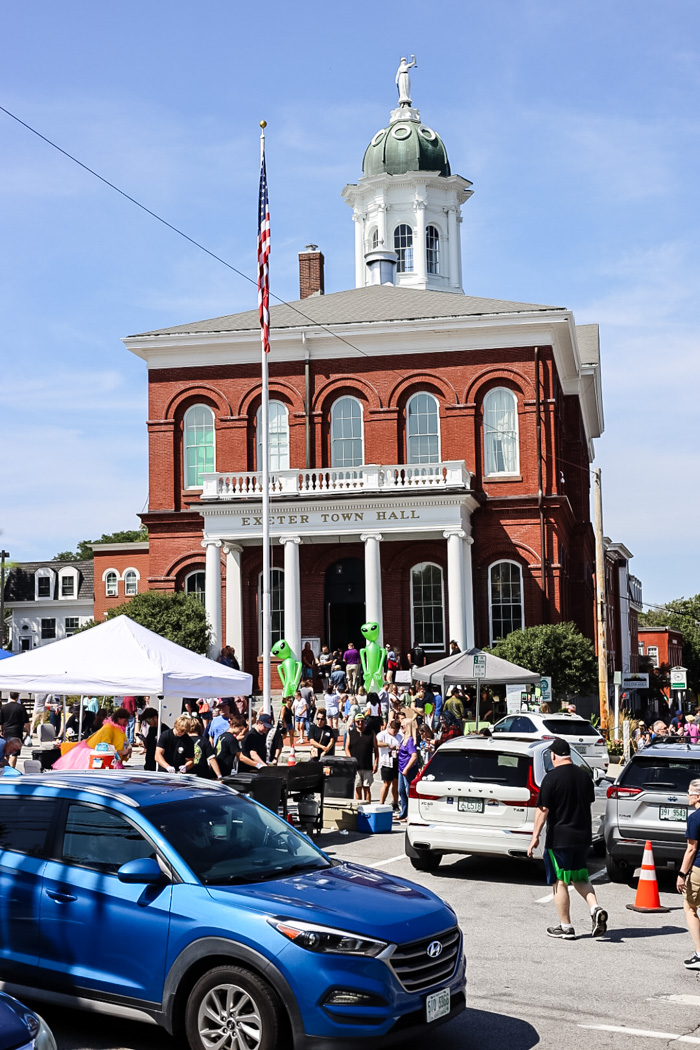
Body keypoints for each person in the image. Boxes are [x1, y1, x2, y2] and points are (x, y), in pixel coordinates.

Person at [527, 737, 608, 939]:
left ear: (553, 755)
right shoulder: (584, 777)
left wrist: (535, 837)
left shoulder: (551, 778)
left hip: (560, 839)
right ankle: (595, 908)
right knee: (580, 877)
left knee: (559, 881)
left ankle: (566, 926)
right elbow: (588, 803)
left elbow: (543, 810)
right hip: (582, 838)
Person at [53, 707, 133, 770]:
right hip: (96, 757)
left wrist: (127, 751)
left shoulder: (119, 729)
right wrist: (121, 752)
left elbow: (122, 743)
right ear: (119, 719)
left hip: (111, 760)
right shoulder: (108, 729)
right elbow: (105, 748)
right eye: (125, 720)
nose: (127, 723)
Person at [676, 778, 700, 968]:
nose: (687, 796)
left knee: (690, 908)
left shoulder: (694, 818)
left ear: (698, 797)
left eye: (689, 793)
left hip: (699, 868)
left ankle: (699, 954)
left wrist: (682, 874)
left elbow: (691, 850)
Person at [345, 713, 378, 802]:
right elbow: (346, 748)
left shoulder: (371, 733)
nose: (360, 723)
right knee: (357, 788)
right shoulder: (351, 733)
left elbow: (376, 750)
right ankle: (359, 808)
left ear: (365, 722)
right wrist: (351, 760)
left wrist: (376, 763)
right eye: (358, 721)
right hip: (356, 767)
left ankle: (367, 807)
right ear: (355, 722)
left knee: (367, 788)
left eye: (362, 721)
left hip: (367, 766)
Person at [397, 716, 418, 820]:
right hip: (401, 768)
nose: (401, 728)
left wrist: (406, 769)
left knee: (408, 791)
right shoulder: (404, 739)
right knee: (401, 790)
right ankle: (404, 812)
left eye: (403, 727)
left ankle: (410, 813)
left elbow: (414, 756)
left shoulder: (410, 740)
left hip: (407, 769)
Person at [377, 718, 401, 808]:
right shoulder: (383, 734)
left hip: (396, 761)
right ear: (390, 727)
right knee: (387, 783)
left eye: (397, 731)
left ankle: (395, 803)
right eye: (394, 731)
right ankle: (381, 803)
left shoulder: (399, 736)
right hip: (386, 761)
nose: (395, 733)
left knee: (396, 783)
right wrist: (388, 745)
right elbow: (377, 743)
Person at [1, 693, 30, 765]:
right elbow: (26, 723)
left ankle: (4, 767)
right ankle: (12, 768)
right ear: (18, 697)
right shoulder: (21, 707)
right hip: (17, 731)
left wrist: (1, 730)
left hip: (6, 731)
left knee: (6, 752)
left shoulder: (4, 707)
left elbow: (1, 722)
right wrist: (28, 733)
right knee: (14, 753)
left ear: (9, 696)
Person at [139, 707, 160, 771]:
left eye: (148, 720)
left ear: (155, 718)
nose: (147, 723)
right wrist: (144, 742)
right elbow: (149, 744)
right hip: (148, 763)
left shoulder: (163, 730)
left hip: (157, 764)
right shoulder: (151, 729)